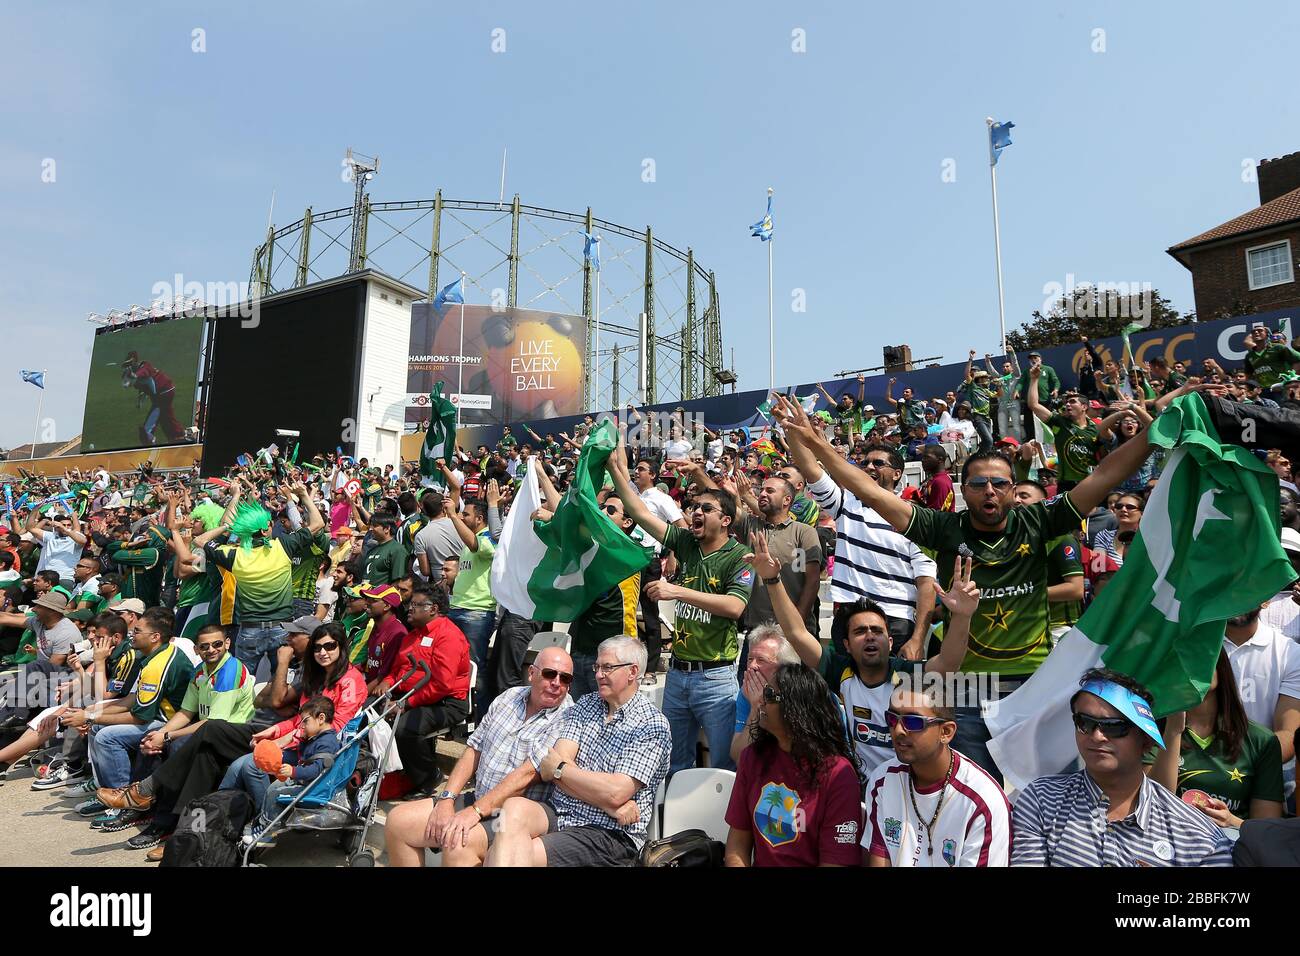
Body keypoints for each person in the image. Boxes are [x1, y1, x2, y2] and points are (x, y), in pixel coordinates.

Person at [772, 390, 1157, 778]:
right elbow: (868, 491)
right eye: (978, 483)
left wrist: (1155, 432)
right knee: (975, 786)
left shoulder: (1039, 521)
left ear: (1011, 487)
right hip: (967, 685)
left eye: (999, 483)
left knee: (1048, 790)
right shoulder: (944, 528)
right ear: (964, 489)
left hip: (1035, 680)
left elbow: (1107, 474)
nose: (989, 490)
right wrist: (814, 440)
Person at [606, 442, 752, 774]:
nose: (696, 512)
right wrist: (617, 470)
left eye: (707, 509)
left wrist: (678, 591)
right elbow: (641, 514)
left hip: (715, 677)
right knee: (673, 763)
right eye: (695, 507)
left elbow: (733, 607)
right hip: (678, 675)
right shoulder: (686, 542)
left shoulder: (738, 556)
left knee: (724, 766)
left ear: (726, 520)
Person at [1011, 669, 1233, 866]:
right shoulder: (1041, 799)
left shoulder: (1201, 836)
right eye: (1085, 723)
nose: (1097, 736)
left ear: (1146, 741)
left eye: (1114, 727)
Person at [484, 636, 670, 867]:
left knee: (506, 854)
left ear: (632, 672)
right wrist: (607, 802)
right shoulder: (586, 705)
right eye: (597, 667)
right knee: (513, 808)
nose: (598, 674)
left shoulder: (651, 725)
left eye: (607, 667)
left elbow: (616, 791)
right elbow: (549, 766)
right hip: (562, 811)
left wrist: (563, 770)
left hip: (609, 833)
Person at [384, 646, 576, 867]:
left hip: (512, 819)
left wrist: (475, 812)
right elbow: (474, 750)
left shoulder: (567, 718)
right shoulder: (508, 698)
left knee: (458, 841)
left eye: (565, 679)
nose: (556, 683)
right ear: (532, 673)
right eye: (550, 673)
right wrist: (447, 798)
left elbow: (526, 775)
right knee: (399, 822)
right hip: (478, 799)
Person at [94, 623, 257, 851]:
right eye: (205, 646)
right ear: (198, 650)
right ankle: (172, 829)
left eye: (217, 644)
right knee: (166, 745)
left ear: (227, 643)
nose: (212, 649)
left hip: (236, 737)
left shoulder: (230, 671)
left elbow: (211, 723)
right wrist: (160, 734)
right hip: (210, 737)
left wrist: (168, 735)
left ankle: (144, 793)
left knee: (180, 742)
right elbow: (186, 712)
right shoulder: (201, 671)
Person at [784, 432, 937, 658]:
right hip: (848, 618)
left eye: (878, 463)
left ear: (897, 474)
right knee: (846, 690)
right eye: (865, 463)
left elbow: (926, 582)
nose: (869, 467)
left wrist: (917, 639)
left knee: (895, 693)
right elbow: (811, 470)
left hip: (894, 621)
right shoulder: (846, 504)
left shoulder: (914, 519)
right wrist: (792, 430)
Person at [723, 663, 862, 867]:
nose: (760, 700)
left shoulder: (838, 774)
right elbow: (737, 846)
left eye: (769, 694)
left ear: (796, 709)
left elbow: (835, 862)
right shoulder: (752, 758)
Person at [67, 608, 193, 831]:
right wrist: (92, 717)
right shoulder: (151, 656)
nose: (131, 635)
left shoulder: (157, 664)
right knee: (98, 726)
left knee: (107, 737)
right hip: (156, 715)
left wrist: (88, 715)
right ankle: (108, 792)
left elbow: (138, 716)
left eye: (137, 631)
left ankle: (127, 801)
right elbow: (131, 700)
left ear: (155, 637)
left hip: (171, 722)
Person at [864, 681, 1011, 867]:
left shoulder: (983, 803)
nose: (899, 730)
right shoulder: (882, 780)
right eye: (892, 718)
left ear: (946, 732)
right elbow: (879, 860)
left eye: (913, 721)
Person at [1147, 649, 1284, 829]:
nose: (1192, 669)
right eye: (1183, 662)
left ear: (1221, 667)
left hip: (1231, 846)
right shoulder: (1150, 728)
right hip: (1166, 840)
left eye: (1202, 659)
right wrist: (1173, 731)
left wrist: (1230, 821)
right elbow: (1154, 804)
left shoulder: (1262, 740)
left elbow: (1268, 832)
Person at [205, 482, 327, 675]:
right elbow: (318, 524)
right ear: (264, 530)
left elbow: (201, 541)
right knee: (280, 680)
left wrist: (229, 526)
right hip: (281, 628)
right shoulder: (283, 546)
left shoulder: (234, 555)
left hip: (249, 631)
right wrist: (303, 495)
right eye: (270, 523)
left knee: (242, 683)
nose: (273, 525)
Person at [379, 585, 471, 798]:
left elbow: (442, 685)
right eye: (410, 604)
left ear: (433, 609)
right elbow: (397, 669)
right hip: (407, 696)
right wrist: (387, 682)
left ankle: (428, 777)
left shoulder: (448, 636)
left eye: (416, 605)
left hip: (445, 703)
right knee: (367, 712)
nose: (410, 609)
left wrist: (405, 704)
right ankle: (392, 772)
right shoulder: (412, 636)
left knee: (405, 728)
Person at [227, 695, 341, 845]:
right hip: (306, 782)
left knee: (275, 793)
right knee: (273, 788)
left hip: (312, 787)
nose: (302, 726)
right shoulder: (317, 737)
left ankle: (268, 832)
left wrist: (293, 772)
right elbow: (305, 755)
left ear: (321, 718)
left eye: (305, 721)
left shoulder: (327, 743)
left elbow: (316, 770)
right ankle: (263, 822)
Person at [630, 455, 688, 676]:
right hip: (628, 560)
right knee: (625, 613)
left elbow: (680, 526)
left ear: (652, 475)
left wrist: (673, 554)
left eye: (642, 469)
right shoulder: (633, 496)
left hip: (649, 561)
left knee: (650, 615)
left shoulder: (661, 498)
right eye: (636, 468)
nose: (637, 472)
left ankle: (651, 668)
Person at [445, 498, 497, 706]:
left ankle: (481, 717)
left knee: (476, 667)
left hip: (477, 612)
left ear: (480, 518)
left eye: (465, 514)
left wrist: (451, 515)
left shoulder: (490, 538)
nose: (461, 517)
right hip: (457, 608)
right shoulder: (469, 542)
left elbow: (477, 546)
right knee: (455, 666)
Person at [1026, 378, 1102, 493]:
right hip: (1066, 485)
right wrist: (1035, 379)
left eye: (1072, 402)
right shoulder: (1060, 422)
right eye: (1066, 402)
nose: (1067, 404)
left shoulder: (1096, 428)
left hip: (1090, 483)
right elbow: (1033, 404)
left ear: (1084, 407)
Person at [359, 584, 410, 696]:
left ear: (387, 606)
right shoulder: (376, 627)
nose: (366, 603)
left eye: (372, 600)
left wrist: (358, 697)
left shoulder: (397, 633)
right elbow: (368, 664)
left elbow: (384, 675)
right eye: (367, 599)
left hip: (381, 694)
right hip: (368, 683)